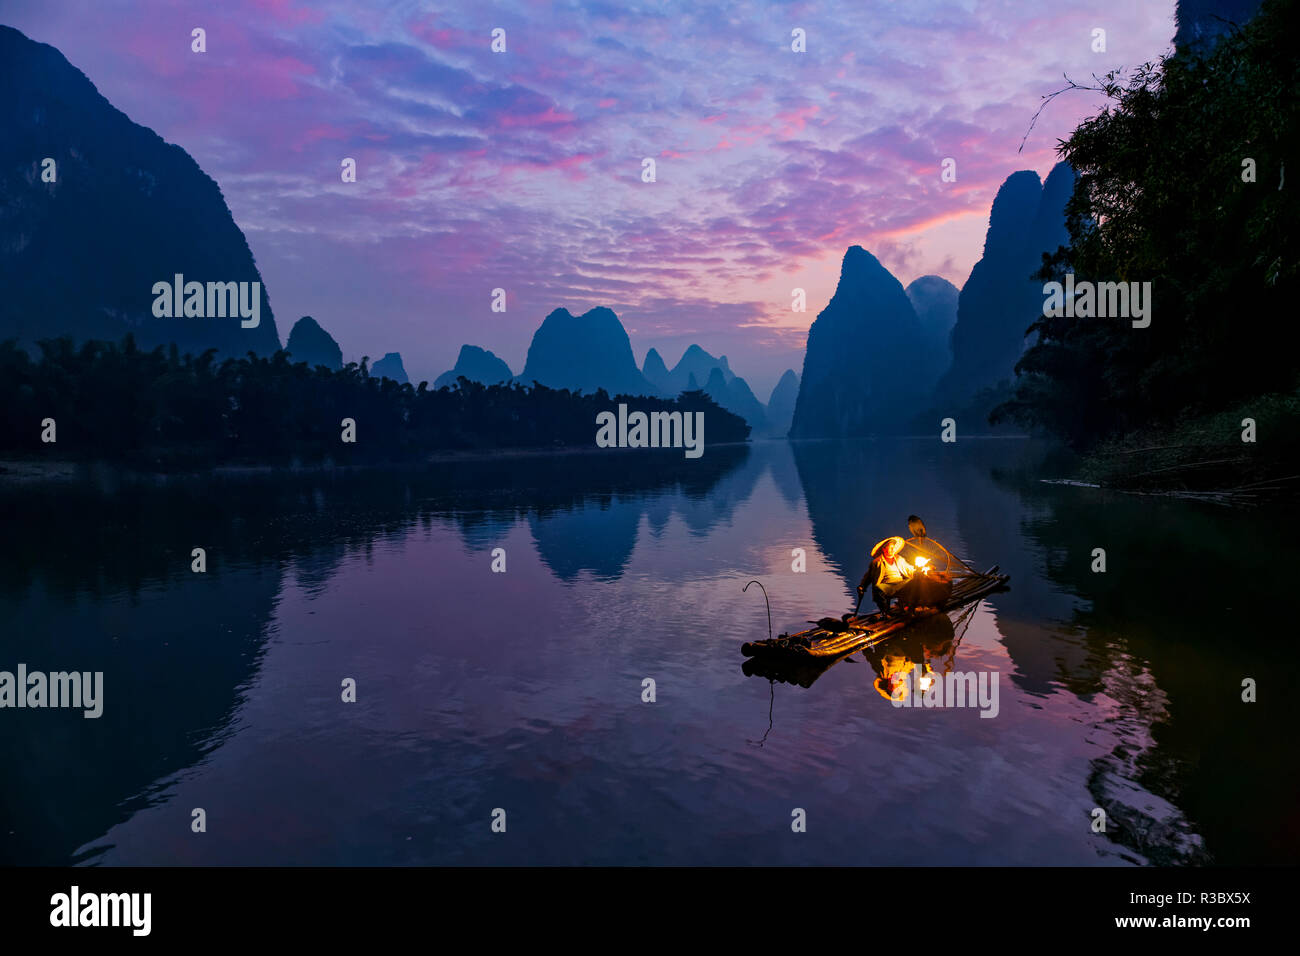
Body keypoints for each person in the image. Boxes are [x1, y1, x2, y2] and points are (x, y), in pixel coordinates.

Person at [857, 535, 952, 616]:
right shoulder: (877, 562)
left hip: (900, 583)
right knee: (879, 588)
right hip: (887, 585)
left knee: (917, 581)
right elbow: (868, 576)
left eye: (893, 547)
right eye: (890, 548)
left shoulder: (899, 559)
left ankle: (911, 608)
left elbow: (910, 569)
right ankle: (886, 613)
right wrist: (862, 586)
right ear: (884, 549)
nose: (892, 550)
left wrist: (923, 569)